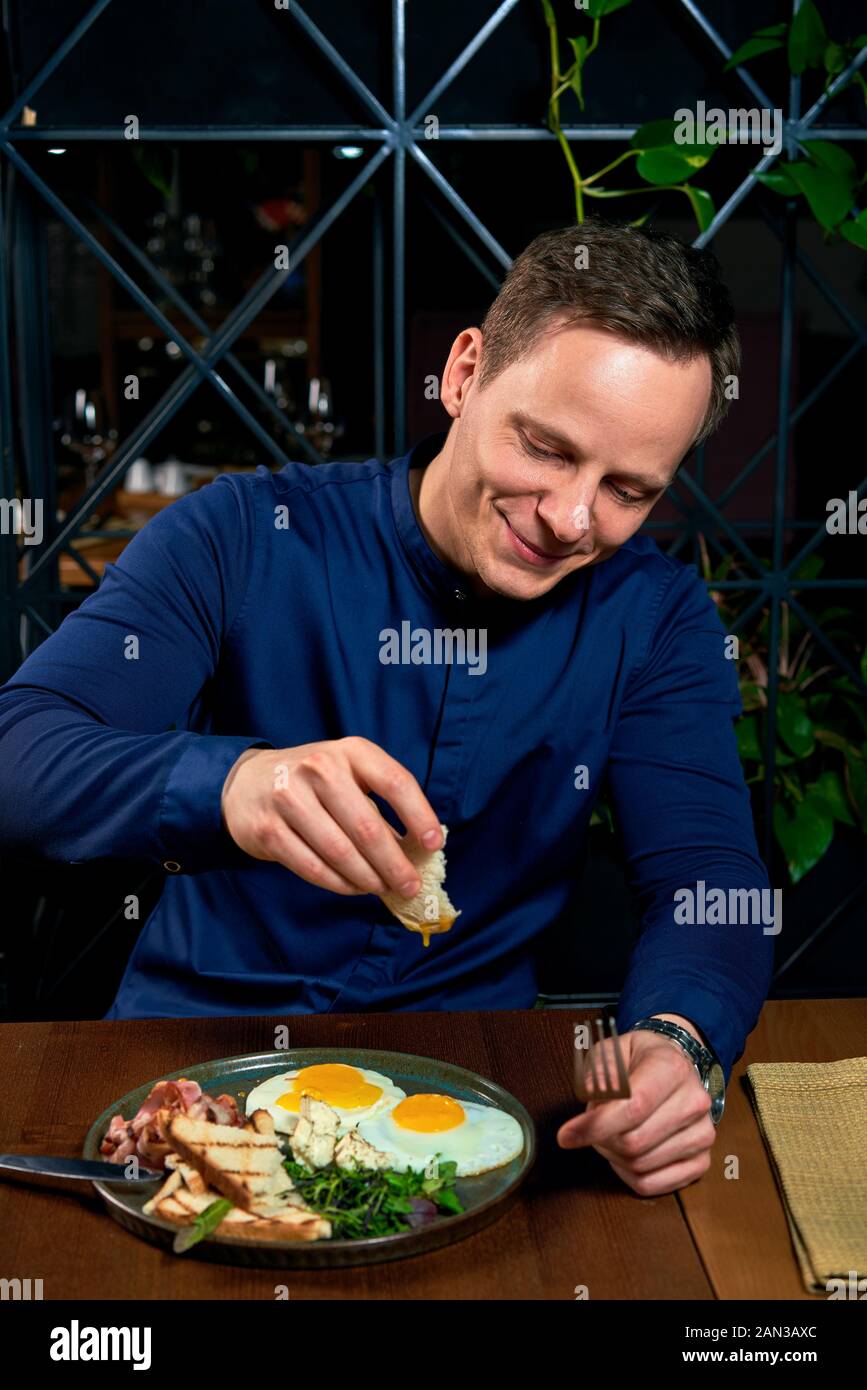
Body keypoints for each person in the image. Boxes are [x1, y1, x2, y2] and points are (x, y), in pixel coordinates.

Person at [0, 217, 773, 1196]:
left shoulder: (655, 618)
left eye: (629, 489)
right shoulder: (240, 534)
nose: (573, 519)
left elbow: (711, 878)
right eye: (545, 447)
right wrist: (230, 784)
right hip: (187, 1072)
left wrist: (680, 1040)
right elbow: (16, 753)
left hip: (466, 1101)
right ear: (464, 375)